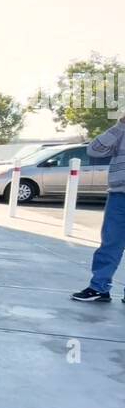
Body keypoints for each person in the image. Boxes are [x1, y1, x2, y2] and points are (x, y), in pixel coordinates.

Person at [72, 114, 125, 303]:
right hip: (120, 195)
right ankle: (99, 288)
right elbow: (94, 150)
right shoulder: (121, 131)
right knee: (111, 244)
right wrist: (121, 125)